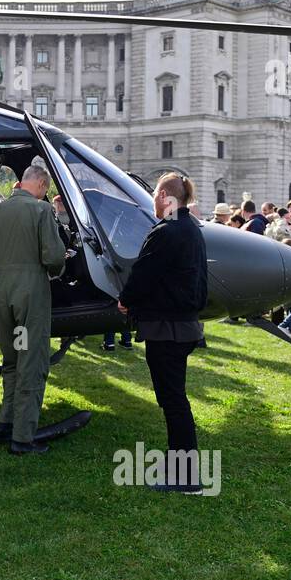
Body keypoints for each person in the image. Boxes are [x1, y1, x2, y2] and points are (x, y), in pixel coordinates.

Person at [117, 172, 208, 494]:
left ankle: (186, 478)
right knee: (174, 399)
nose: (153, 200)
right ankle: (181, 471)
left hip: (167, 329)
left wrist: (126, 301)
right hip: (182, 326)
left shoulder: (167, 232)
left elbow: (143, 273)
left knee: (173, 401)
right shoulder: (190, 230)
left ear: (166, 197)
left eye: (155, 194)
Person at [0, 162, 67, 454]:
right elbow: (53, 257)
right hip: (31, 294)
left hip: (3, 292)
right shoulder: (43, 211)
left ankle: (5, 422)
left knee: (13, 358)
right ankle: (23, 436)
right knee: (32, 361)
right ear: (41, 186)